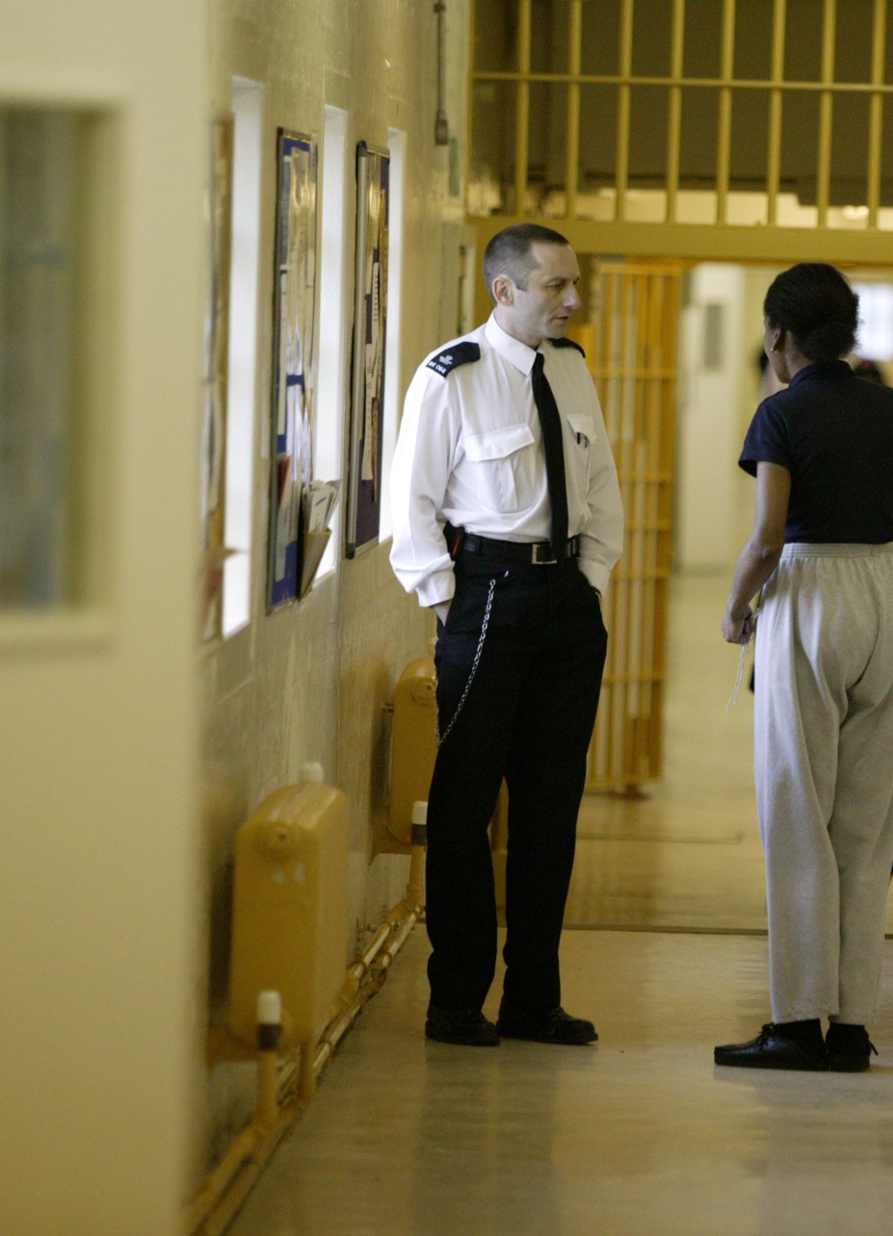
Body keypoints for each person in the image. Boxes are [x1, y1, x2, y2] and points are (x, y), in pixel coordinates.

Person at [391, 222, 623, 1049]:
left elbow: (601, 483)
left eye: (573, 283)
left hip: (566, 601)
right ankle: (456, 998)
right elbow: (411, 506)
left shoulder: (571, 368)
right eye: (556, 285)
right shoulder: (451, 375)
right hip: (487, 594)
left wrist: (590, 579)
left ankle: (534, 998)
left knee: (550, 807)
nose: (573, 299)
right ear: (505, 290)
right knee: (464, 805)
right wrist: (447, 600)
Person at [715, 263, 893, 1073]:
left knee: (796, 807)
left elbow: (767, 537)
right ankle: (850, 1025)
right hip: (886, 593)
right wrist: (871, 566)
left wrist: (737, 606)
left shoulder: (780, 414)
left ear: (780, 335)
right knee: (866, 821)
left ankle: (794, 1021)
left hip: (808, 593)